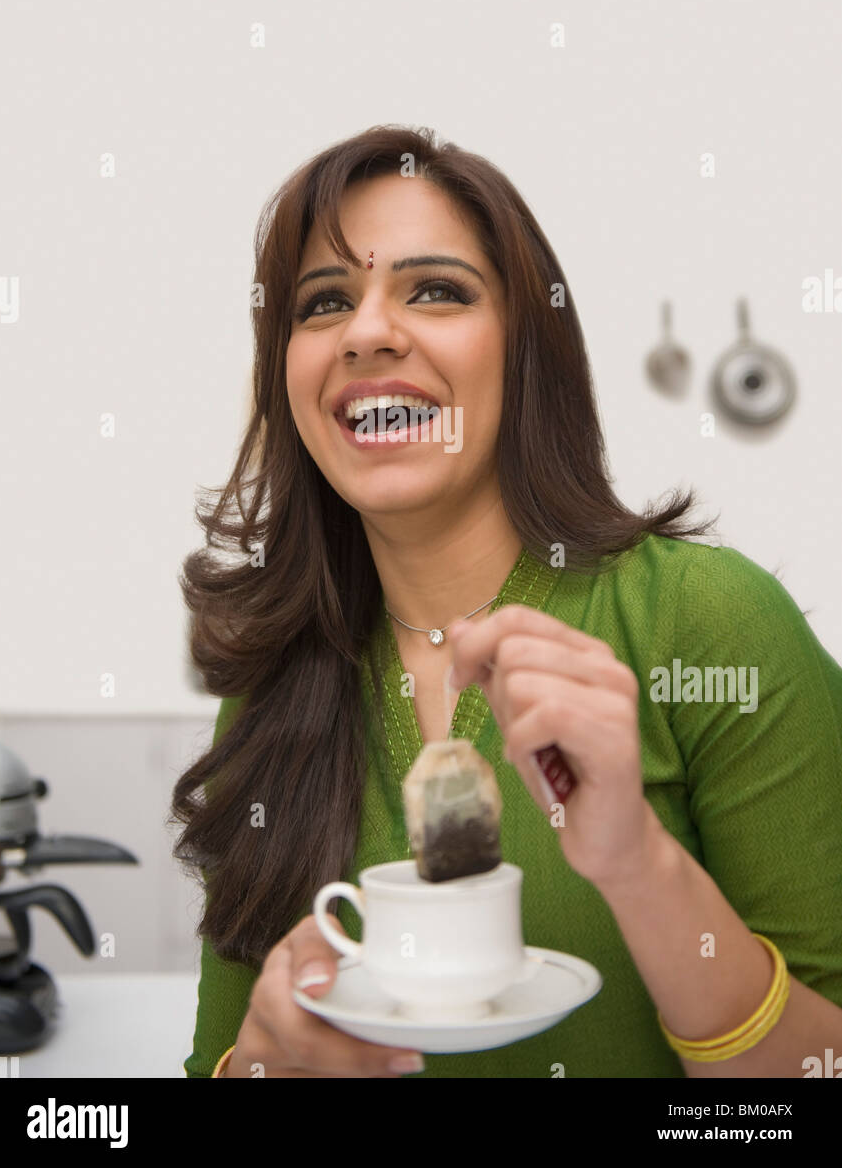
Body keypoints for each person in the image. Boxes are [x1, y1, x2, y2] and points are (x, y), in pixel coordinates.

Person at [171, 124, 842, 1079]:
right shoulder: (275, 683)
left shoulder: (709, 623)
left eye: (435, 290)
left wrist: (637, 864)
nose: (366, 331)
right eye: (323, 304)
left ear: (528, 350)